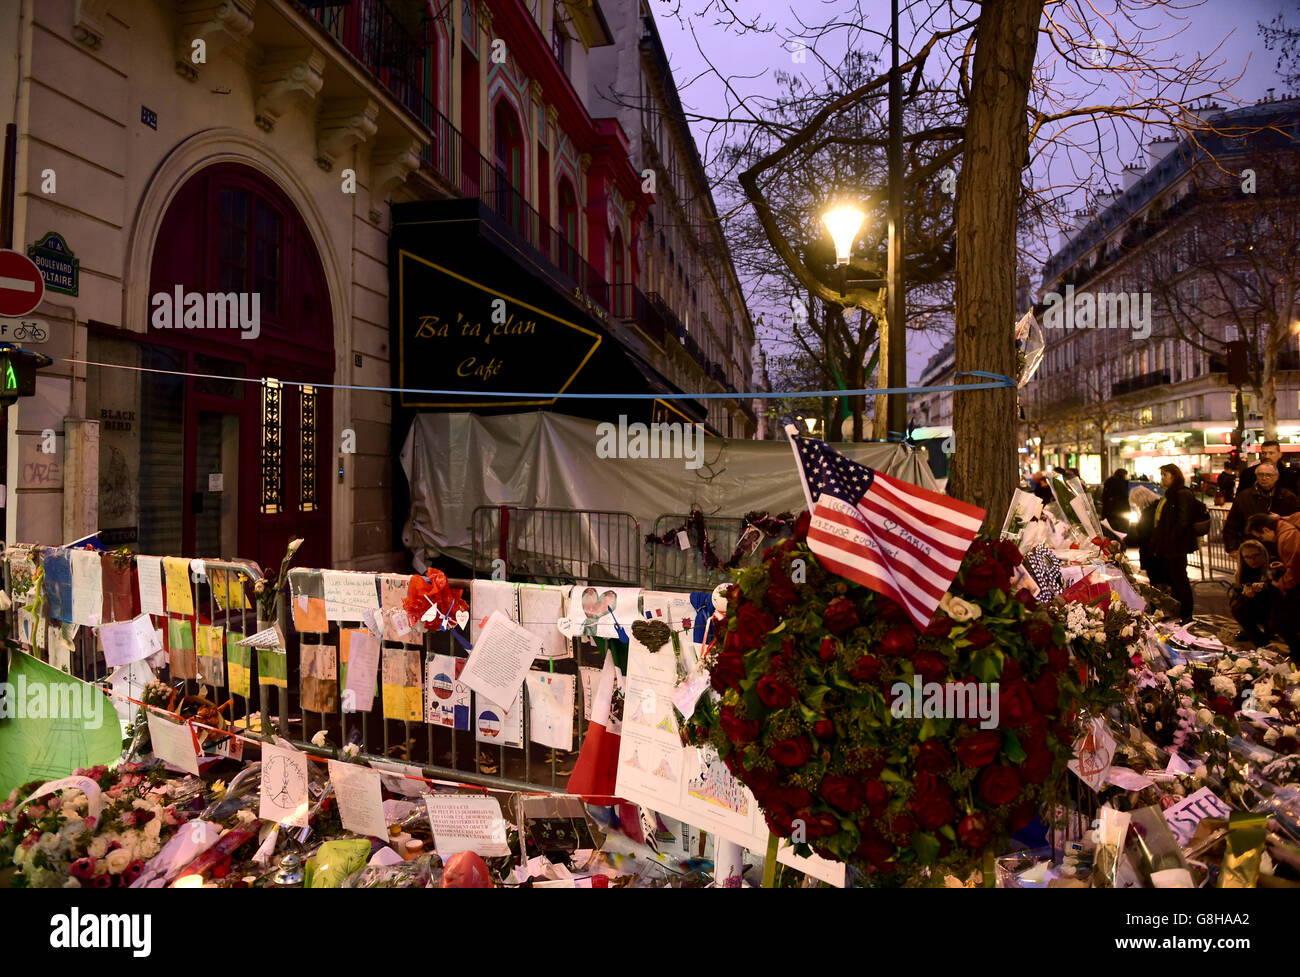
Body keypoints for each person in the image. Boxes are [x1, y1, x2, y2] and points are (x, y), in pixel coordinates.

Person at [1245, 511, 1300, 659]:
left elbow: (1295, 570)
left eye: (1261, 537)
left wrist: (1279, 583)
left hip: (1294, 586)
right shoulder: (1286, 523)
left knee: (1282, 621)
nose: (1264, 540)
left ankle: (1297, 654)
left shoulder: (1286, 536)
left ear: (1266, 529)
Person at [1149, 464, 1198, 623]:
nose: (1162, 478)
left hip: (1176, 546)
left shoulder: (1182, 493)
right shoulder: (1169, 494)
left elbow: (1182, 521)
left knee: (1180, 579)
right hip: (1166, 545)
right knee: (1172, 579)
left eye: (1165, 475)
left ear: (1174, 476)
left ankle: (1186, 614)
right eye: (1161, 474)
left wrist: (1170, 539)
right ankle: (1176, 611)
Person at [1221, 463, 1299, 555]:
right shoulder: (1244, 497)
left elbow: (1296, 522)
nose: (1264, 478)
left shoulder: (1288, 497)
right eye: (1260, 474)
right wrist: (1232, 548)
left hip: (1279, 548)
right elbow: (1231, 524)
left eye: (1268, 475)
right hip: (1251, 549)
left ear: (1277, 477)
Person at [1229, 540, 1273, 645]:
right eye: (1247, 557)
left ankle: (1267, 634)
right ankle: (1260, 641)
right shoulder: (1243, 572)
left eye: (1256, 555)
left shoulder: (1272, 565)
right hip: (1256, 606)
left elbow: (1273, 582)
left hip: (1274, 605)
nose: (1252, 560)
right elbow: (1237, 590)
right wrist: (1244, 592)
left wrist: (1263, 586)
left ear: (1263, 554)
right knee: (1237, 605)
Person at [1129, 484, 1160, 573]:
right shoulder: (1155, 508)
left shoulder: (1150, 512)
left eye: (1136, 503)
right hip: (1153, 552)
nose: (1137, 506)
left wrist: (1128, 540)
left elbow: (1145, 533)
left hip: (1152, 553)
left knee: (1155, 579)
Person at [1101, 468, 1130, 537]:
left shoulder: (1109, 482)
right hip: (1121, 513)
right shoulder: (1122, 483)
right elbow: (1125, 497)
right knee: (1121, 532)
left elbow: (1104, 497)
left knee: (1110, 532)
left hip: (1109, 513)